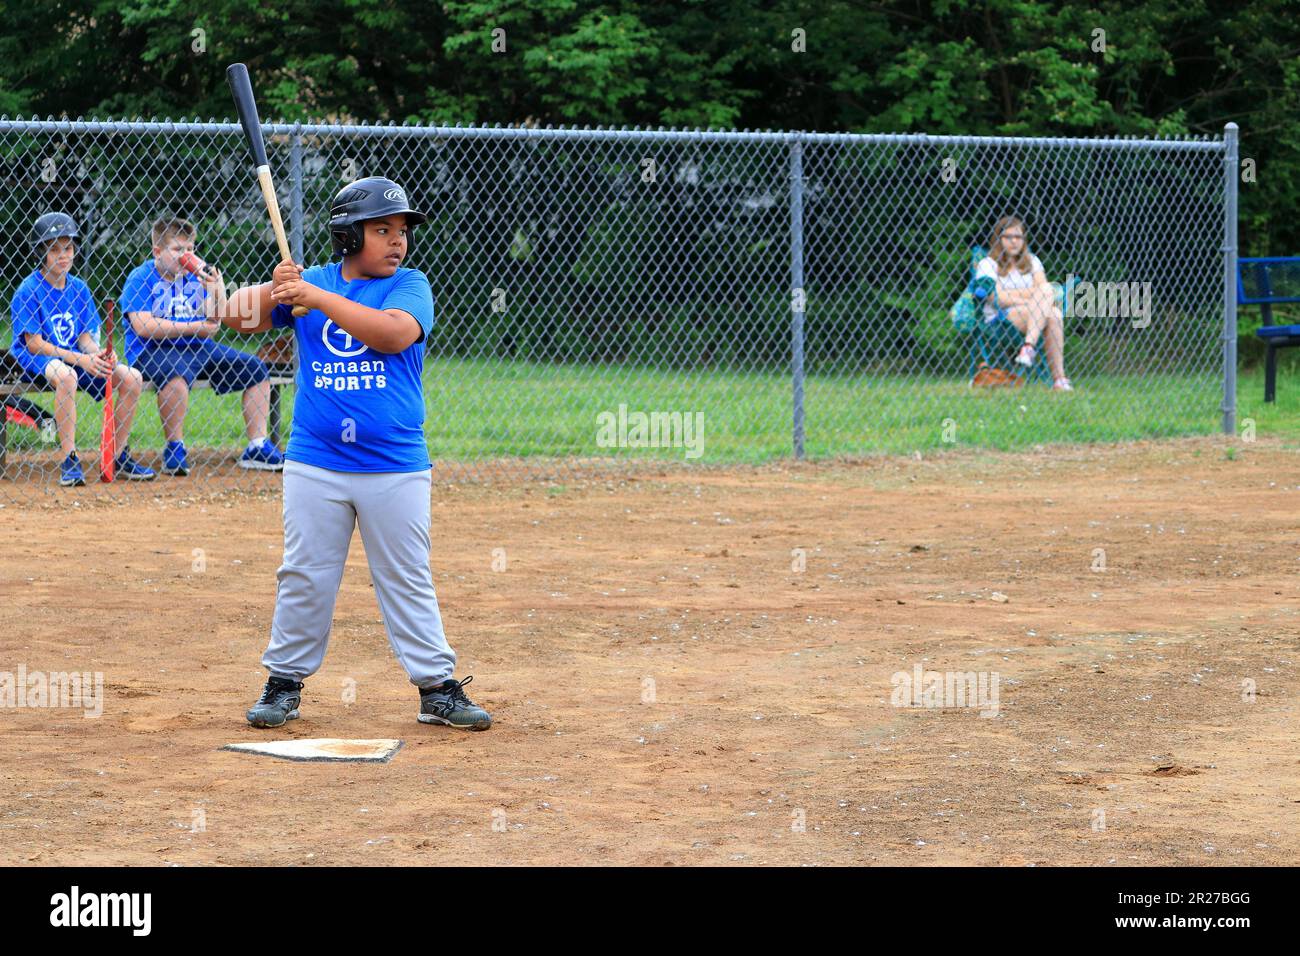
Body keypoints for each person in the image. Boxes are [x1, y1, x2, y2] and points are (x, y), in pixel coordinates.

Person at [220, 176, 491, 731]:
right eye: (382, 230)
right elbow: (233, 315)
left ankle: (437, 689)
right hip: (316, 460)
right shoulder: (309, 283)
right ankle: (283, 683)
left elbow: (392, 336)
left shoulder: (409, 285)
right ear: (348, 238)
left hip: (394, 463)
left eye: (401, 231)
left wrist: (316, 299)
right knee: (305, 573)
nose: (397, 241)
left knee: (406, 574)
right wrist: (276, 291)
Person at [119, 217, 285, 475]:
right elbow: (143, 326)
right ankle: (175, 446)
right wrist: (194, 328)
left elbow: (215, 322)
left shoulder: (196, 278)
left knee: (256, 369)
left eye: (190, 249)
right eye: (177, 250)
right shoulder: (141, 277)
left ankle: (257, 445)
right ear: (157, 252)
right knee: (175, 377)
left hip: (198, 348)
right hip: (152, 350)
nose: (185, 256)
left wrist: (217, 290)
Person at [8, 213, 155, 485]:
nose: (63, 255)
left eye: (68, 248)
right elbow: (34, 343)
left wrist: (98, 354)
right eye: (54, 249)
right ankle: (69, 458)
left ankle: (118, 454)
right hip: (35, 359)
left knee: (132, 377)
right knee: (67, 376)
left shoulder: (79, 288)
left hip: (72, 357)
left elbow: (86, 338)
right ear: (41, 253)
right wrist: (81, 359)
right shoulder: (28, 290)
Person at [977, 216, 1072, 391]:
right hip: (1000, 318)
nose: (1014, 241)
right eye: (1008, 237)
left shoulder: (1032, 261)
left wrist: (1025, 296)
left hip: (1033, 314)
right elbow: (995, 297)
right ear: (998, 239)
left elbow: (1044, 289)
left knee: (1054, 313)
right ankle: (1055, 375)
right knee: (1049, 308)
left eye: (1018, 237)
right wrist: (1031, 298)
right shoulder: (987, 264)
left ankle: (1050, 370)